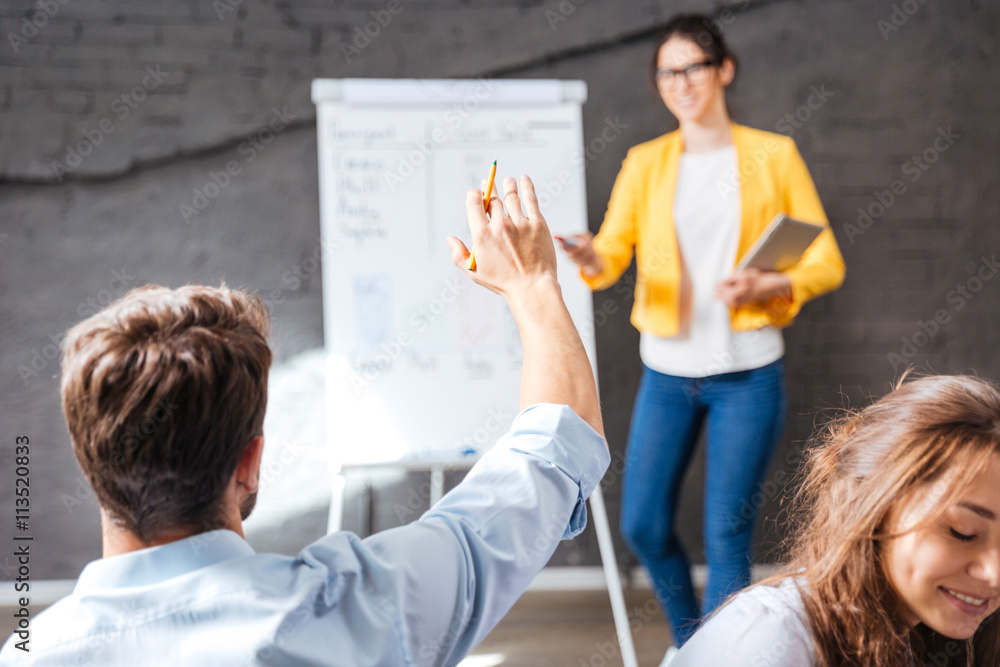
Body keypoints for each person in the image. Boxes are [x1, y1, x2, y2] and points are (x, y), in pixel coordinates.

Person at [0, 175, 610, 666]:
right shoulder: (354, 612)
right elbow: (558, 448)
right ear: (249, 462)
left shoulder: (31, 653)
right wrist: (532, 284)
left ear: (90, 462)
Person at [558, 13, 845, 653]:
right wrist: (587, 254)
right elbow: (610, 257)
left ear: (724, 70)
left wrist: (769, 284)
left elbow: (827, 261)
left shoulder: (773, 155)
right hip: (668, 373)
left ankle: (722, 660)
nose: (680, 82)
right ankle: (693, 647)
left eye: (693, 67)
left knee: (727, 538)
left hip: (748, 374)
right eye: (667, 72)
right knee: (643, 524)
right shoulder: (646, 162)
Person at [672, 373, 1000, 666]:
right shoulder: (772, 639)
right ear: (876, 505)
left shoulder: (914, 641)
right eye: (963, 532)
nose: (994, 574)